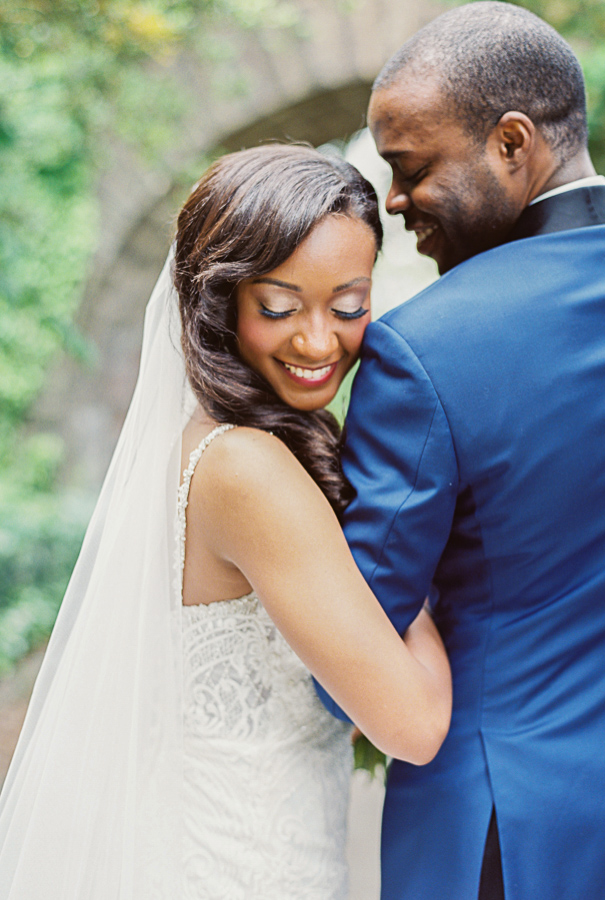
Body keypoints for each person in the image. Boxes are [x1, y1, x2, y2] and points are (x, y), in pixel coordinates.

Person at [0, 145, 453, 898]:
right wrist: (417, 573)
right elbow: (413, 724)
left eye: (348, 306)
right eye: (278, 307)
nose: (318, 341)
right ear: (220, 302)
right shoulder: (246, 469)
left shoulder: (205, 450)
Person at [313, 4, 605, 898]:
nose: (394, 201)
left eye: (410, 169)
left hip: (503, 834)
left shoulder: (419, 349)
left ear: (512, 145)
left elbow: (358, 649)